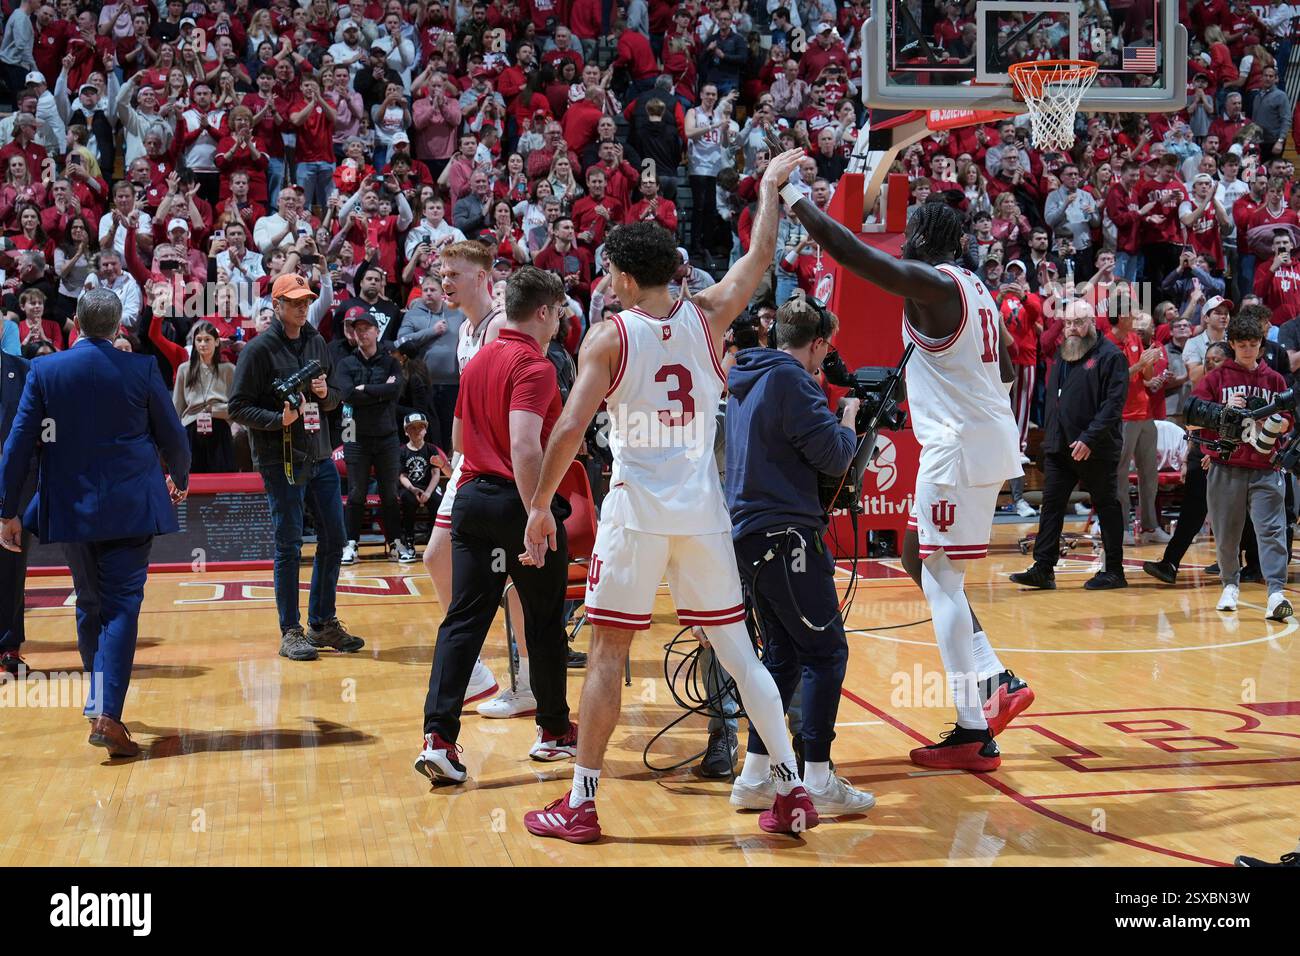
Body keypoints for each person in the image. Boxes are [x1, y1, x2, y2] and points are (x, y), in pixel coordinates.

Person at [518, 150, 823, 844]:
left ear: (625, 278)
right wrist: (772, 186)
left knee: (608, 655)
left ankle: (582, 803)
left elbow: (567, 429)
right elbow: (762, 252)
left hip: (637, 510)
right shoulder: (711, 314)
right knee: (741, 655)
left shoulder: (607, 336)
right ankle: (792, 787)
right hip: (703, 511)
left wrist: (539, 508)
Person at [784, 193, 1034, 773]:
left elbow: (851, 253)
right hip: (975, 441)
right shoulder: (976, 290)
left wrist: (796, 198)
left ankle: (974, 727)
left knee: (943, 581)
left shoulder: (935, 285)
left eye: (907, 235)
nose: (901, 244)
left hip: (957, 452)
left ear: (920, 240)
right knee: (915, 556)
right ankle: (996, 677)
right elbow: (1006, 370)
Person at [0, 288, 190, 759]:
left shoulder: (44, 370)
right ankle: (107, 712)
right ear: (117, 328)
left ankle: (96, 699)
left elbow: (18, 446)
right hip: (131, 505)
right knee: (121, 605)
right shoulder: (141, 368)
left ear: (77, 325)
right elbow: (174, 436)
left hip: (70, 506)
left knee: (88, 600)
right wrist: (179, 476)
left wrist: (7, 510)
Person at [414, 266, 577, 785]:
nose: (561, 321)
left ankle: (438, 740)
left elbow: (460, 439)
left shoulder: (480, 358)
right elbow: (526, 444)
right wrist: (537, 511)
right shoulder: (536, 365)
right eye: (560, 311)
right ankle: (553, 731)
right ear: (544, 311)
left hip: (471, 500)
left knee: (463, 620)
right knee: (545, 617)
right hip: (516, 501)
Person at [722, 296, 876, 815]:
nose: (823, 361)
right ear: (815, 343)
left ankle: (755, 776)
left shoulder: (750, 373)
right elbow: (834, 454)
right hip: (785, 536)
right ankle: (817, 777)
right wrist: (849, 417)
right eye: (824, 350)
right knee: (826, 653)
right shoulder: (792, 379)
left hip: (752, 536)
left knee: (783, 658)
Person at [228, 272, 365, 662]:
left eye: (306, 300)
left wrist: (325, 396)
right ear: (277, 305)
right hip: (280, 460)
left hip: (318, 455)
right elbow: (237, 407)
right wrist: (277, 420)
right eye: (295, 301)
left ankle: (322, 623)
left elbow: (336, 397)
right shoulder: (257, 351)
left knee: (335, 539)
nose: (303, 307)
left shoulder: (317, 342)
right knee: (288, 545)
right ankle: (291, 630)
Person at [421, 240, 504, 707]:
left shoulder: (498, 328)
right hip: (468, 461)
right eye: (443, 274)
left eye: (454, 274)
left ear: (481, 277)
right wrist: (454, 454)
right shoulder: (464, 332)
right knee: (435, 557)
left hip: (494, 464)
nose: (445, 282)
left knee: (509, 574)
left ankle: (527, 675)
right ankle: (473, 669)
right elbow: (465, 404)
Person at [1011, 298, 1130, 590]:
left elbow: (1113, 406)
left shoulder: (1111, 356)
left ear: (1092, 322)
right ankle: (1043, 567)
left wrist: (1089, 438)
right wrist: (1050, 441)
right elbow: (1058, 400)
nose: (1073, 329)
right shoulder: (1065, 352)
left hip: (1096, 447)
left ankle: (1114, 570)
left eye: (1078, 322)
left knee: (1107, 505)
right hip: (1060, 447)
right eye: (1067, 323)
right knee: (1051, 505)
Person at [1190, 309, 1294, 620]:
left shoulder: (1275, 380)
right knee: (1226, 533)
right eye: (1242, 344)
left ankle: (1276, 592)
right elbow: (1194, 420)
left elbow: (1288, 421)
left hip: (1266, 466)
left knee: (1272, 530)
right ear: (1232, 344)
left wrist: (1270, 422)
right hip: (1226, 466)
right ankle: (1229, 584)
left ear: (1261, 345)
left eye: (1253, 344)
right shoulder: (1216, 379)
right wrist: (1223, 410)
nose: (1248, 349)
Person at [333, 308, 415, 564]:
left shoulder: (391, 362)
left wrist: (365, 390)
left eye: (366, 329)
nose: (362, 334)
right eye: (357, 330)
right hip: (356, 438)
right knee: (356, 493)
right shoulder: (346, 363)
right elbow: (346, 394)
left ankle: (396, 543)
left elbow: (394, 391)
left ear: (377, 331)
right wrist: (377, 393)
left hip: (387, 437)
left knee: (390, 493)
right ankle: (351, 544)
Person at [0, 348, 35, 675]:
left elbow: (37, 434)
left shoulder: (25, 371)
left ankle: (9, 646)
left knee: (11, 570)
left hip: (13, 486)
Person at [171, 320, 236, 472]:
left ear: (217, 341)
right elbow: (177, 405)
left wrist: (215, 411)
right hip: (191, 428)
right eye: (199, 340)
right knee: (193, 477)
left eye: (207, 340)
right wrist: (175, 434)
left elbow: (237, 406)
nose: (203, 344)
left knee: (223, 479)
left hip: (220, 426)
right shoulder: (184, 369)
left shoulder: (229, 369)